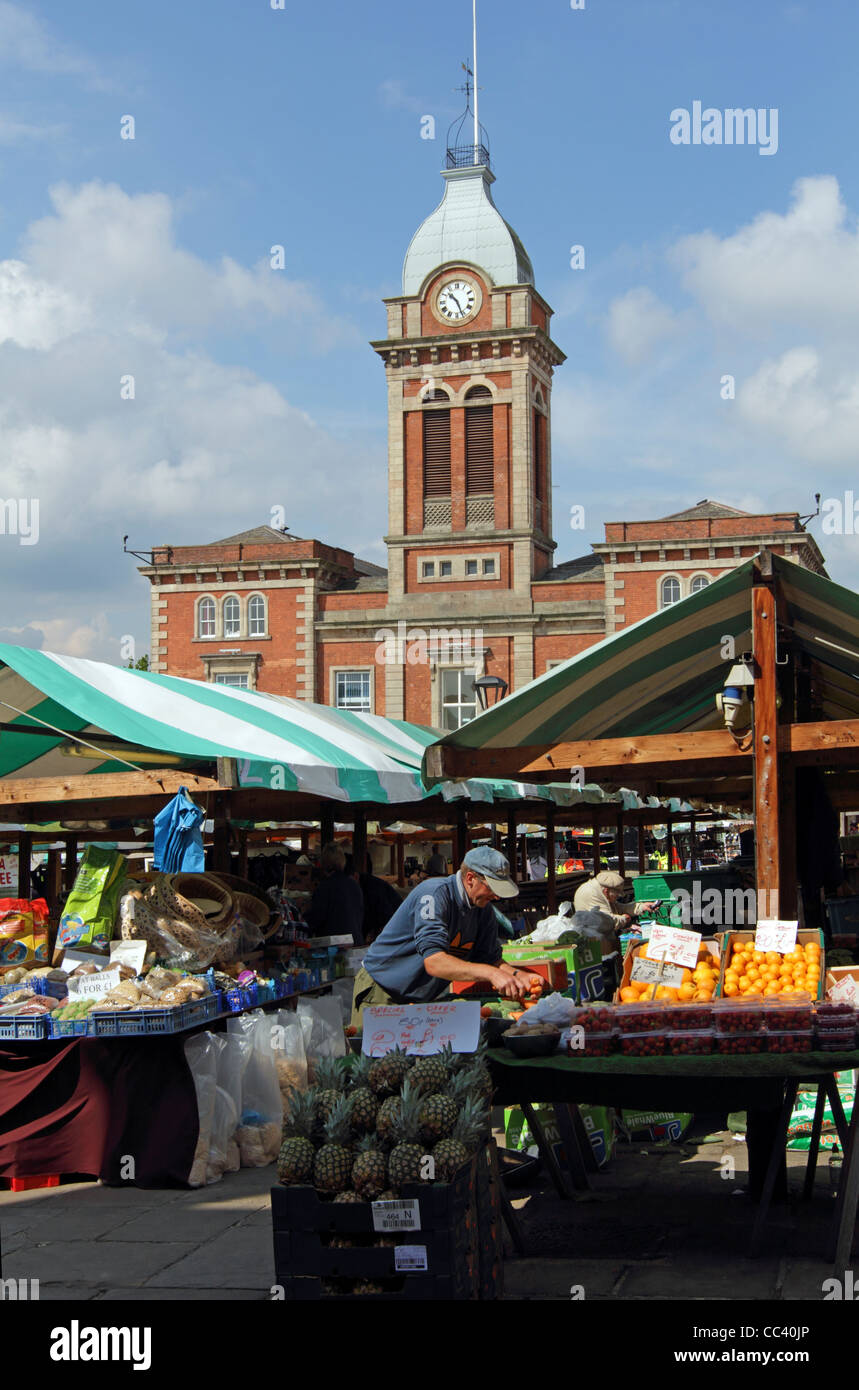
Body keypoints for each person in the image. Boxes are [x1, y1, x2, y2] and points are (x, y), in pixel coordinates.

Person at [350, 846, 542, 1026]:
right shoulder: (434, 894)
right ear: (470, 878)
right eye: (491, 887)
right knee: (380, 1060)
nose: (496, 896)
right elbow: (434, 962)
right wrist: (492, 974)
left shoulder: (484, 910)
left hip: (418, 997)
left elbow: (491, 959)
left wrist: (518, 976)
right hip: (382, 991)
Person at [573, 871, 656, 949]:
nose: (618, 896)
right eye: (617, 894)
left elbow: (619, 907)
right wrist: (624, 919)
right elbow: (607, 921)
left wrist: (641, 907)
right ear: (606, 891)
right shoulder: (591, 893)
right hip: (593, 941)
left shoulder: (601, 891)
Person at [303, 841, 364, 945]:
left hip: (335, 946)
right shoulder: (354, 885)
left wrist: (302, 923)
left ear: (324, 862)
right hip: (356, 941)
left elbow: (316, 917)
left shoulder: (325, 886)